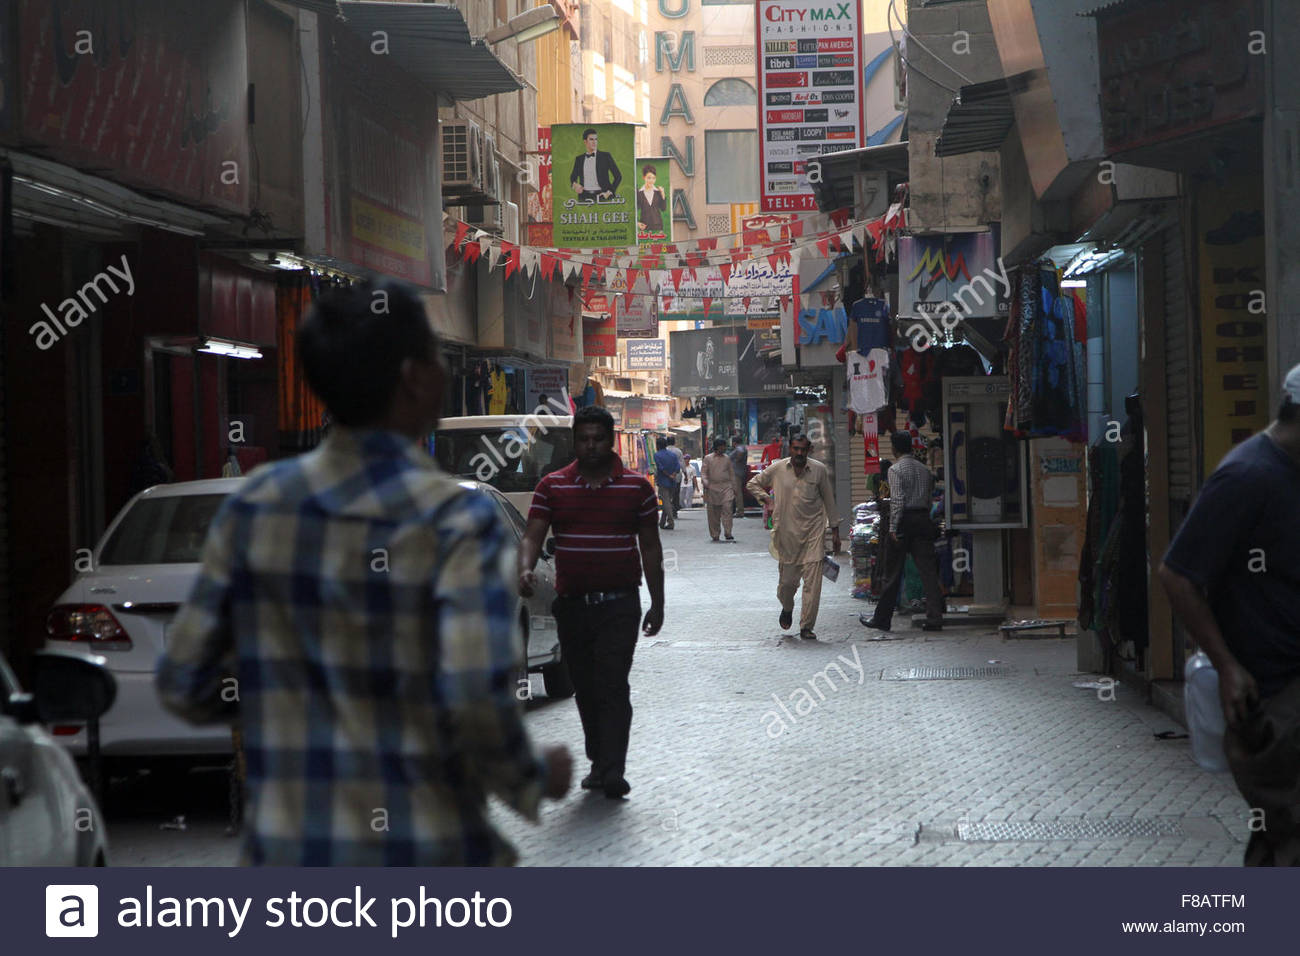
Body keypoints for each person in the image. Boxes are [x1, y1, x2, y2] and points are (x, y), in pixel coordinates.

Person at [157, 279, 572, 866]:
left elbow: (185, 681)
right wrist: (533, 777)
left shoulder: (255, 508)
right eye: (434, 355)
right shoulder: (457, 519)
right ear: (413, 377)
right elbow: (477, 698)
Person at [1157, 366, 1300, 866]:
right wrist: (1228, 667)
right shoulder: (1247, 476)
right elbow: (1178, 574)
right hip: (1274, 698)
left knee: (1279, 843)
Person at [519, 406, 665, 800]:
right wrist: (525, 568)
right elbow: (533, 535)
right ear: (574, 441)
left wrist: (658, 602)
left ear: (611, 439)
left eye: (598, 438)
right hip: (572, 606)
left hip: (620, 605)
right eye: (584, 438)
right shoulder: (552, 487)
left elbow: (650, 547)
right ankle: (599, 759)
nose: (591, 445)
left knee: (612, 684)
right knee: (585, 687)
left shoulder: (637, 488)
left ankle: (612, 768)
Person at [748, 433, 841, 641]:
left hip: (813, 535)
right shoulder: (778, 468)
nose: (799, 453)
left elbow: (829, 500)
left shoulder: (818, 470)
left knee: (813, 585)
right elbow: (753, 484)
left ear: (809, 450)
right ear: (790, 449)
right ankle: (787, 607)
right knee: (787, 585)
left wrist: (835, 531)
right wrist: (767, 500)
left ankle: (806, 626)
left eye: (803, 449)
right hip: (787, 537)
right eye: (796, 449)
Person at [860, 432, 945, 633]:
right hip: (923, 519)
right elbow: (927, 496)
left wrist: (892, 528)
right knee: (928, 572)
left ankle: (882, 619)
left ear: (895, 449)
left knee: (893, 572)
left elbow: (897, 500)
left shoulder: (895, 470)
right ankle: (935, 618)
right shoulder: (924, 470)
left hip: (904, 521)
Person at [568, 128, 622, 202]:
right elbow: (573, 177)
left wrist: (609, 192)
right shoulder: (579, 159)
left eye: (596, 139)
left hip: (602, 196)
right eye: (591, 139)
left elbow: (618, 176)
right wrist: (575, 185)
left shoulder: (605, 156)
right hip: (584, 197)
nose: (594, 142)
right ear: (585, 142)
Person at [701, 437, 737, 542]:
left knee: (728, 509)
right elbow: (704, 472)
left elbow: (731, 474)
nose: (724, 448)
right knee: (713, 514)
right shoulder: (708, 458)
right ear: (717, 447)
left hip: (726, 487)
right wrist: (705, 481)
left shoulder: (727, 458)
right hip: (712, 488)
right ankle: (715, 534)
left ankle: (728, 532)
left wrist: (734, 487)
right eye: (723, 446)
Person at [652, 435, 681, 530]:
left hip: (663, 481)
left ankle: (671, 522)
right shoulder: (673, 455)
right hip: (673, 481)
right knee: (667, 501)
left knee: (666, 502)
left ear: (658, 445)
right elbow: (678, 466)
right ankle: (662, 522)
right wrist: (673, 474)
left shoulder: (657, 455)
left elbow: (660, 468)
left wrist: (668, 475)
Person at [635, 164, 667, 238]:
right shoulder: (639, 193)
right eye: (649, 178)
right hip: (644, 227)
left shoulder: (658, 192)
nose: (651, 181)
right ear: (644, 178)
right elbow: (634, 209)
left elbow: (663, 208)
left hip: (658, 227)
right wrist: (637, 223)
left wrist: (663, 194)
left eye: (653, 178)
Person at [729, 435, 750, 517]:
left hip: (737, 472)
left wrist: (737, 460)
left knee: (737, 492)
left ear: (734, 442)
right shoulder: (741, 447)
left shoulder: (740, 448)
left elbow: (740, 453)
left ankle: (740, 511)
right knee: (735, 492)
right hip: (738, 472)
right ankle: (736, 510)